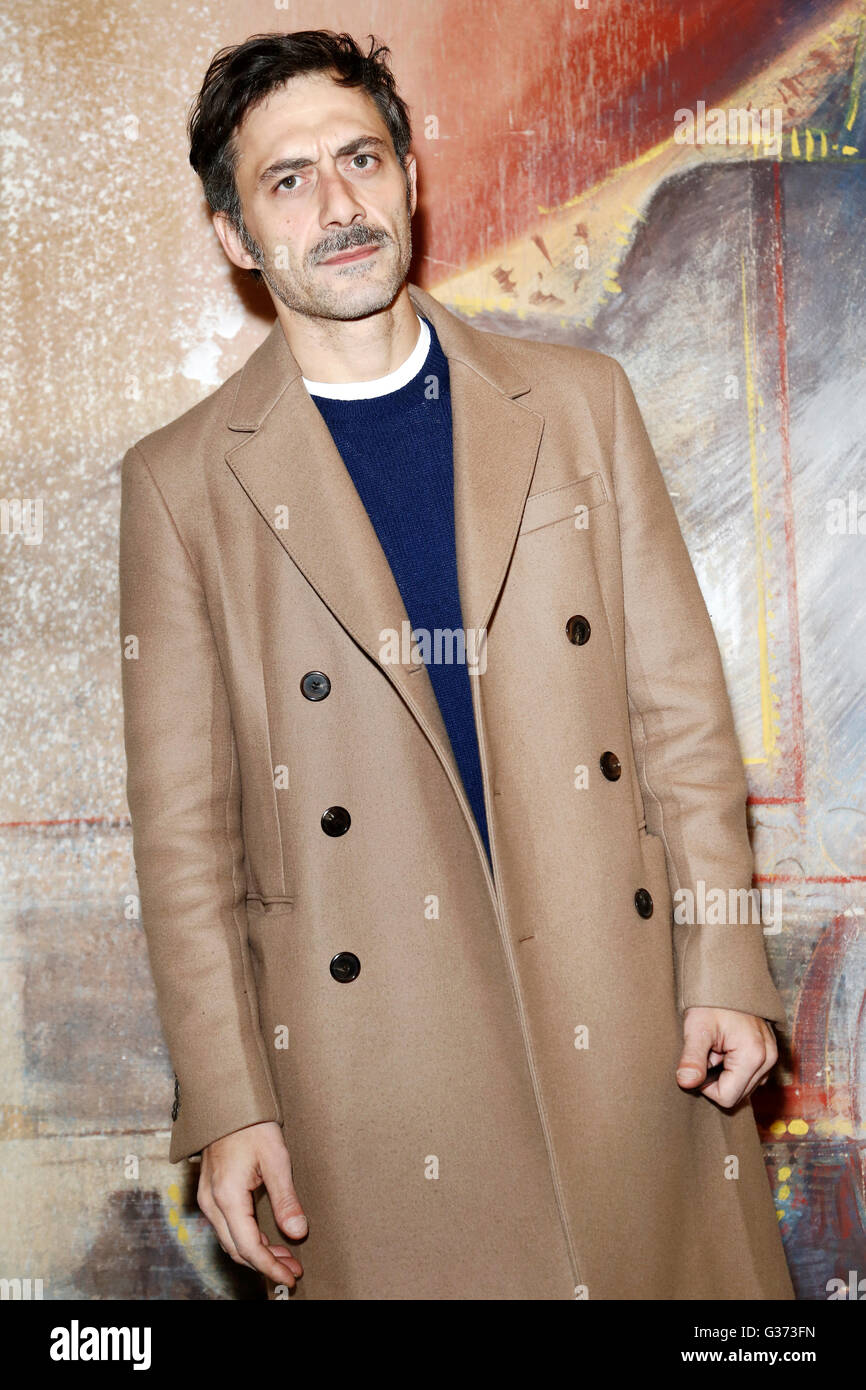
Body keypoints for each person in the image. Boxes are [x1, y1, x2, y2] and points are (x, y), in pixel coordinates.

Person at [119, 29, 795, 1300]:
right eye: (287, 179)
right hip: (365, 1053)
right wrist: (224, 1100)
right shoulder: (180, 484)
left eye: (360, 157)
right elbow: (183, 839)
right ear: (232, 235)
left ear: (409, 176)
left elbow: (680, 722)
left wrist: (721, 962)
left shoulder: (577, 402)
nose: (338, 204)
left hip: (624, 1009)